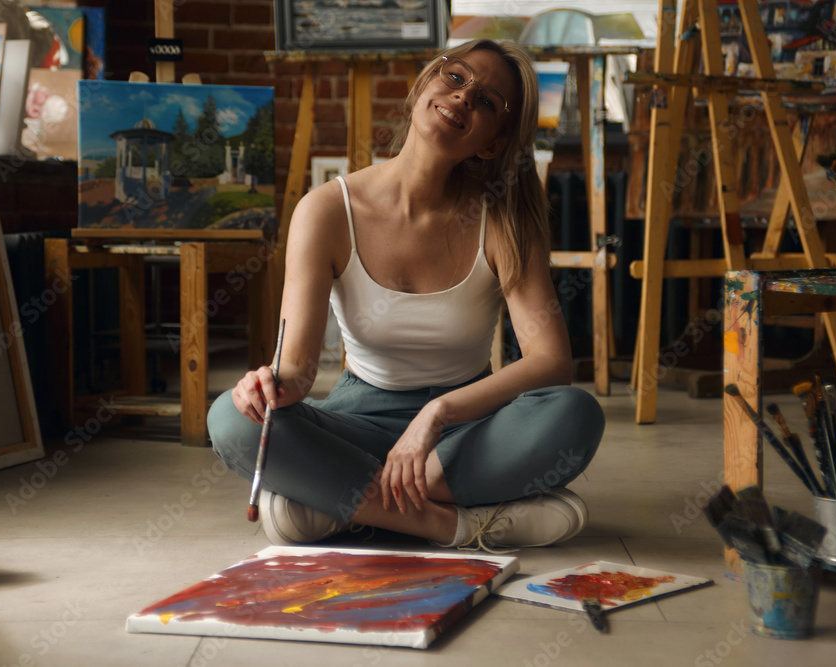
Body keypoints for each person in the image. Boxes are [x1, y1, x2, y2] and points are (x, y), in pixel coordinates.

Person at [207, 39, 605, 552]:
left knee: (575, 414)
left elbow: (551, 362)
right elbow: (298, 371)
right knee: (230, 419)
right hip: (355, 421)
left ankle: (335, 505)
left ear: (490, 143)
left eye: (486, 102)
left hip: (465, 428)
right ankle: (453, 525)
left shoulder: (501, 220)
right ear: (424, 86)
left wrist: (436, 415)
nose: (464, 97)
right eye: (457, 78)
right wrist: (267, 386)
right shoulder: (326, 210)